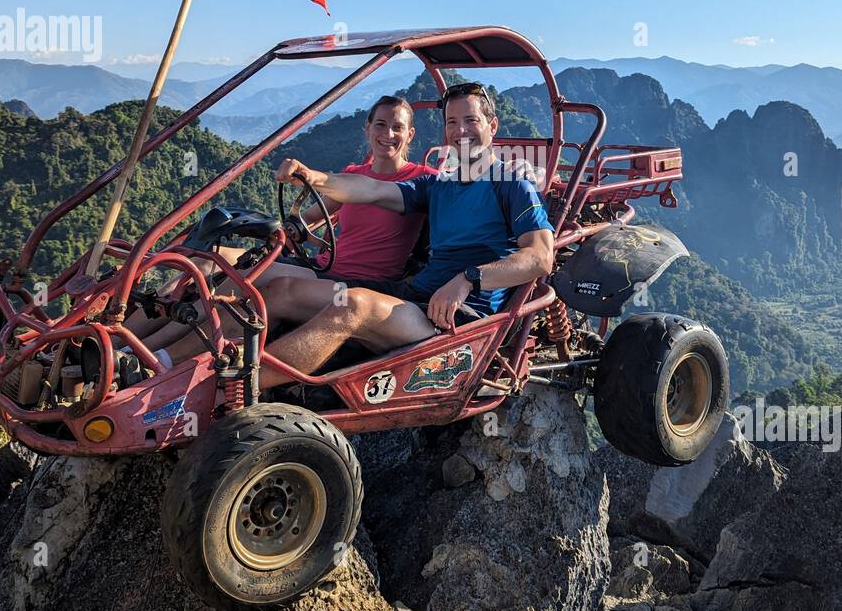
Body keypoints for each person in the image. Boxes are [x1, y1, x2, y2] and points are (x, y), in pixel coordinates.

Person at [153, 81, 555, 389]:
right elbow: (372, 189)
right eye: (452, 122)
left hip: (457, 321)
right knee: (279, 292)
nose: (460, 130)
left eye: (471, 120)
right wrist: (314, 177)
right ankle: (161, 364)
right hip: (413, 297)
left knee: (354, 305)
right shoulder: (440, 185)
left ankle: (229, 388)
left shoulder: (510, 182)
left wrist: (468, 279)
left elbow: (540, 257)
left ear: (492, 127)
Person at [121, 95, 435, 363]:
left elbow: (460, 204)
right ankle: (121, 338)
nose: (388, 134)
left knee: (246, 286)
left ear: (410, 134)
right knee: (205, 260)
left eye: (397, 127)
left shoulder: (423, 180)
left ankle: (150, 357)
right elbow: (311, 216)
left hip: (362, 284)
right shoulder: (353, 175)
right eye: (381, 124)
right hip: (325, 269)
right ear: (367, 128)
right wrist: (289, 231)